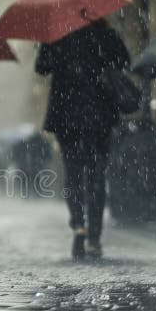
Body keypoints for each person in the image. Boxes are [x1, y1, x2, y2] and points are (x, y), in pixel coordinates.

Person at [34, 19, 130, 260]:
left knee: (73, 173)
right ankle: (94, 237)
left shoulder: (58, 34)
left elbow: (41, 67)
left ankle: (78, 226)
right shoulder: (104, 34)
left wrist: (49, 45)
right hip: (100, 114)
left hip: (67, 114)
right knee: (96, 175)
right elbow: (124, 61)